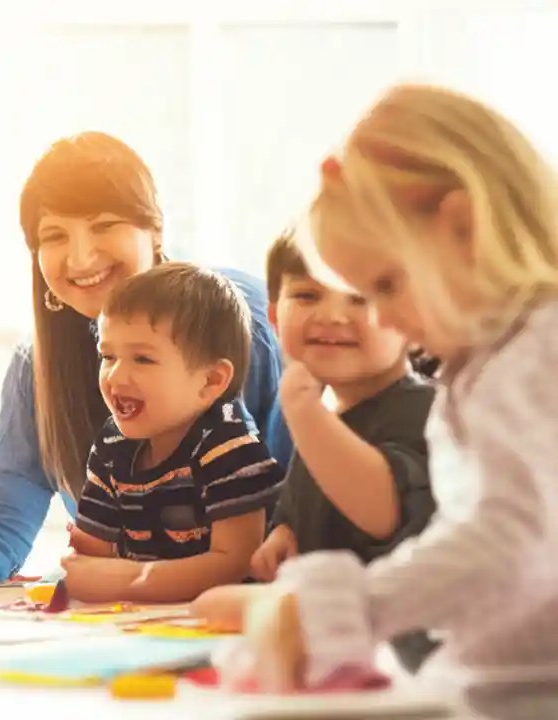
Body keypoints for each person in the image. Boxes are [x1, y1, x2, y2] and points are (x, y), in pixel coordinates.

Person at [224, 85, 558, 719]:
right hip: (492, 682)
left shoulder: (532, 358)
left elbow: (511, 542)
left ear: (465, 229)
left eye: (384, 285)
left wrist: (358, 604)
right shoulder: (493, 366)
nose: (382, 317)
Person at [0, 131, 289, 588]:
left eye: (103, 226)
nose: (80, 258)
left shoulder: (243, 326)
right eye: (55, 236)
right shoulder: (36, 364)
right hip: (126, 621)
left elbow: (292, 514)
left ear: (155, 230)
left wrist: (126, 580)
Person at [194, 229, 438, 671]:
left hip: (400, 623)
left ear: (413, 324)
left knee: (223, 604)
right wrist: (285, 535)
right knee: (212, 605)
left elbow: (383, 510)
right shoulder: (326, 418)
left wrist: (307, 414)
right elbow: (305, 500)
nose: (331, 315)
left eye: (358, 298)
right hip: (331, 607)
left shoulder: (426, 410)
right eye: (307, 296)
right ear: (272, 315)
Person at [64, 264, 283, 603]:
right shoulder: (112, 445)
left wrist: (133, 580)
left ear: (211, 381)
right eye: (108, 356)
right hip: (151, 617)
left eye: (143, 359)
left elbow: (237, 563)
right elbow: (92, 554)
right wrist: (82, 557)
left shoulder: (228, 446)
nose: (116, 376)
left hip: (230, 611)